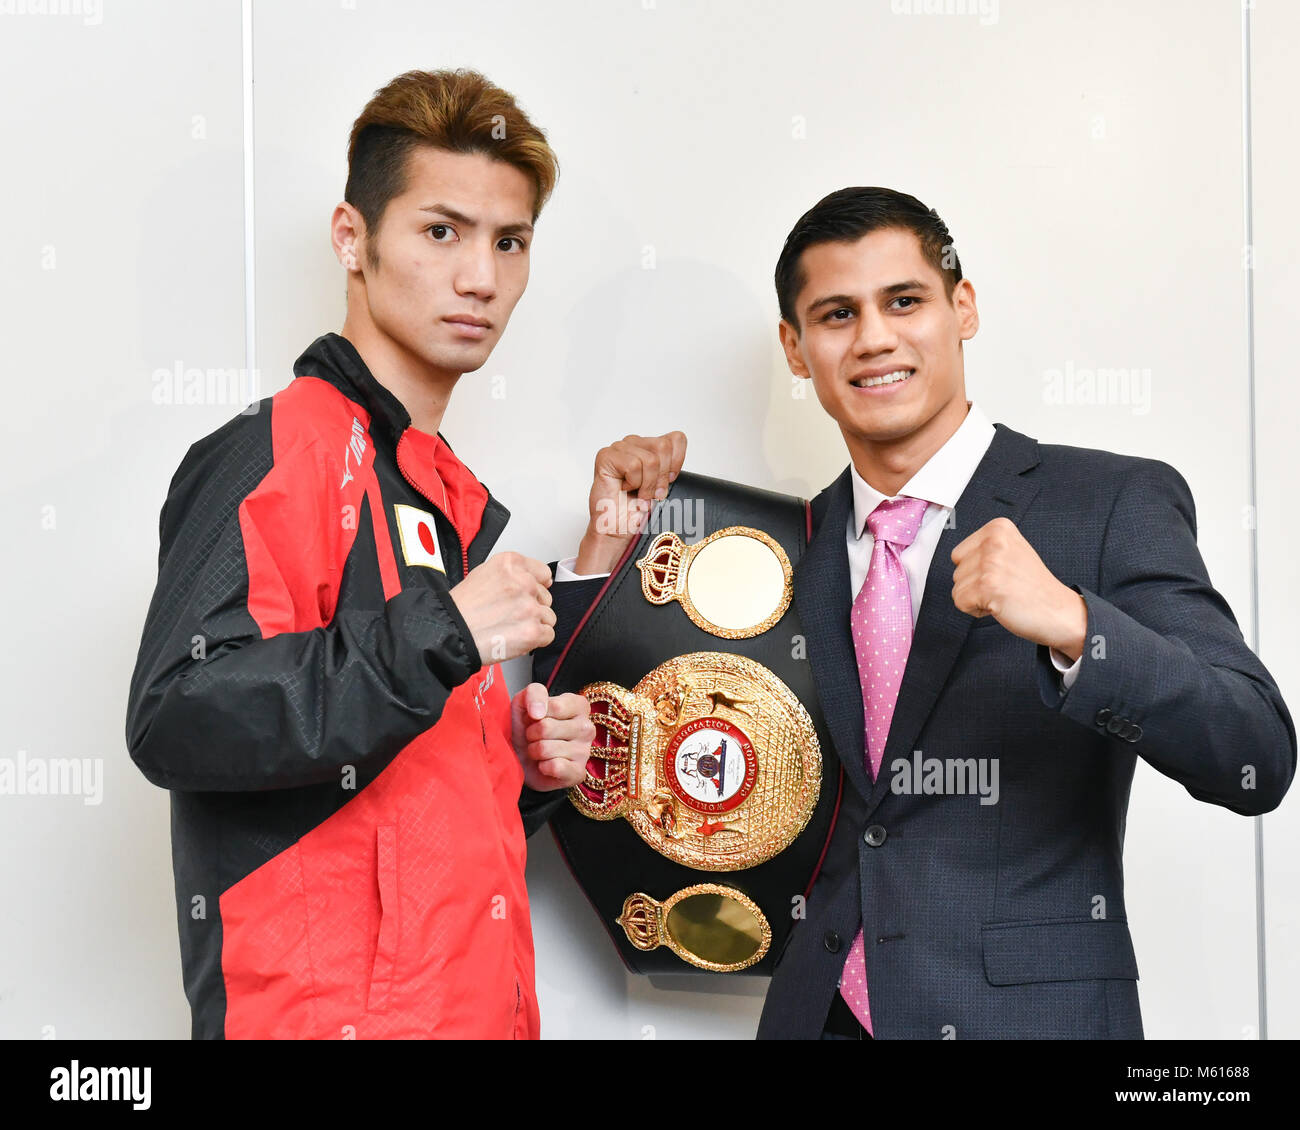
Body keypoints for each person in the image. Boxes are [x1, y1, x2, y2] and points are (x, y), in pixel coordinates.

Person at [545, 187, 1296, 1039]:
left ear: (962, 308)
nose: (873, 338)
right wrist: (608, 547)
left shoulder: (1108, 503)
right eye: (836, 314)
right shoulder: (781, 547)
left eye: (904, 301)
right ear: (796, 349)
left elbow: (1256, 754)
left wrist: (1076, 626)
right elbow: (593, 734)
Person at [125, 68, 599, 1039]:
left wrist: (523, 771)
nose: (481, 277)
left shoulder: (439, 491)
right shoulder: (280, 447)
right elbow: (176, 713)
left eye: (509, 242)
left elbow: (400, 808)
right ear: (353, 237)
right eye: (441, 230)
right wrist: (441, 630)